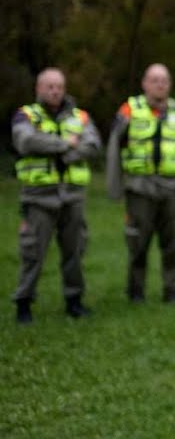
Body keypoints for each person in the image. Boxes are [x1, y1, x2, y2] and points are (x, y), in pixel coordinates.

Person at [106, 64, 175, 303]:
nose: (160, 84)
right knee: (137, 241)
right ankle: (136, 292)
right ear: (144, 83)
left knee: (174, 242)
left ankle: (173, 291)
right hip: (140, 187)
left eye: (165, 80)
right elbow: (114, 146)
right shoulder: (129, 109)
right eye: (155, 80)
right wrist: (115, 186)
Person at [11, 68, 100, 323]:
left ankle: (74, 301)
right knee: (33, 252)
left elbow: (93, 144)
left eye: (59, 86)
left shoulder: (80, 117)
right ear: (38, 89)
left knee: (74, 250)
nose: (55, 91)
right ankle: (24, 303)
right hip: (39, 196)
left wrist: (62, 151)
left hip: (72, 196)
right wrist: (66, 144)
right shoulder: (25, 115)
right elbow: (26, 143)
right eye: (49, 86)